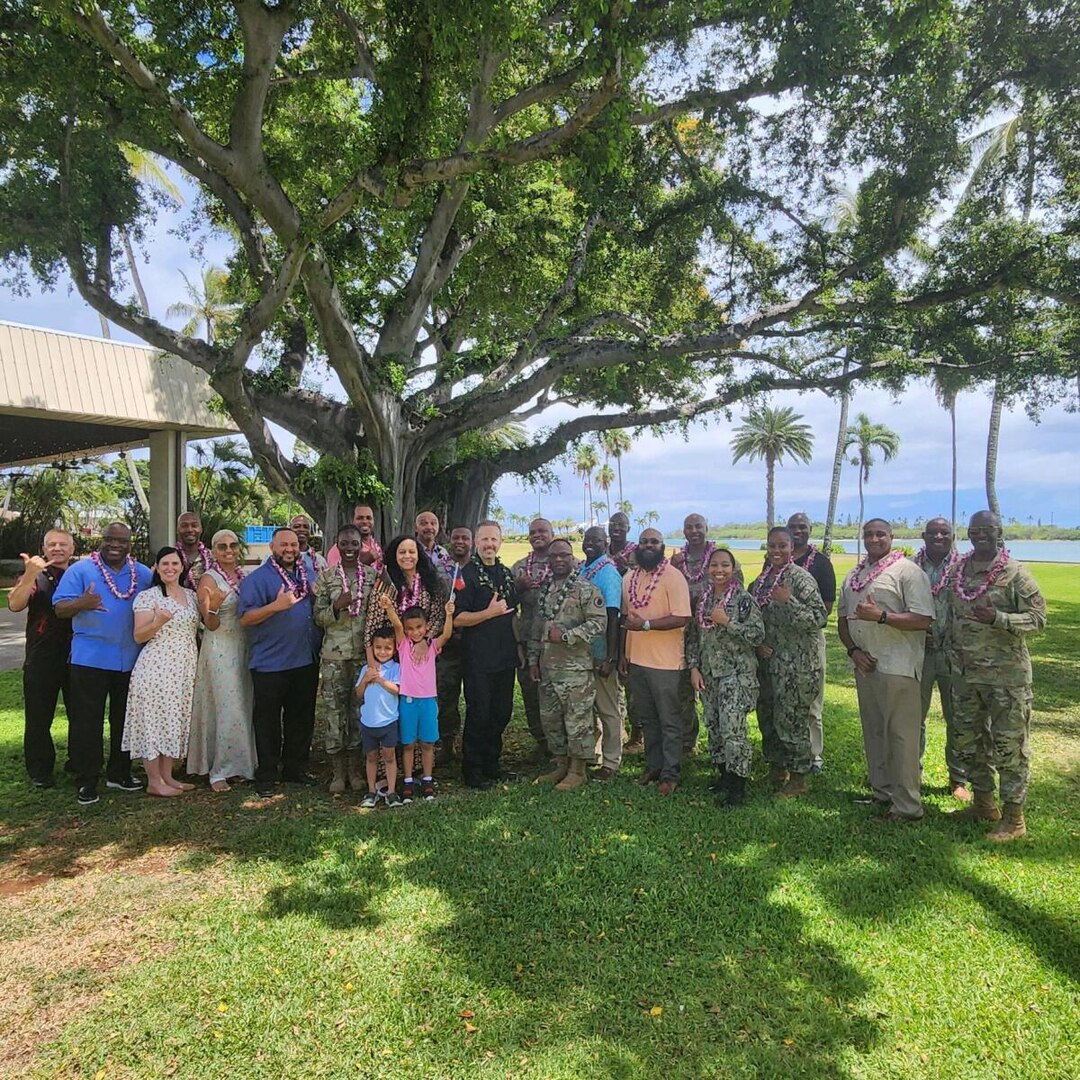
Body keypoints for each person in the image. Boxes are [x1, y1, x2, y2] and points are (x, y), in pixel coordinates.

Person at [945, 510, 1047, 840]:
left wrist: (999, 619)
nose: (980, 535)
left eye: (987, 530)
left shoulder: (1015, 574)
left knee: (1009, 747)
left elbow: (1038, 619)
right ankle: (984, 804)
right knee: (970, 742)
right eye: (975, 530)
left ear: (999, 532)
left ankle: (1014, 819)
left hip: (1006, 678)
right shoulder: (958, 571)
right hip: (966, 676)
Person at [838, 519, 934, 823]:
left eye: (880, 534)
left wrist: (882, 616)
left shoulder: (908, 571)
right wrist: (854, 651)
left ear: (892, 537)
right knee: (874, 731)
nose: (874, 538)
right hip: (866, 664)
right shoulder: (855, 574)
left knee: (901, 736)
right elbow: (843, 618)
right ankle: (882, 792)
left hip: (898, 665)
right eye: (868, 534)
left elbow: (923, 619)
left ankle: (907, 806)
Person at [53, 522, 153, 806]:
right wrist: (82, 602)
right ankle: (86, 779)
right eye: (110, 539)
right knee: (88, 721)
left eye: (121, 540)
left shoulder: (142, 574)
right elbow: (59, 608)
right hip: (91, 659)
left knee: (124, 719)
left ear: (130, 543)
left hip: (130, 659)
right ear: (101, 540)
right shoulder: (81, 571)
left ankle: (119, 772)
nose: (115, 545)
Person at [237, 527, 321, 798]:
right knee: (268, 721)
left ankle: (295, 769)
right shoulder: (257, 579)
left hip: (304, 659)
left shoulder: (307, 573)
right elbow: (245, 618)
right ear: (272, 547)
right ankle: (267, 775)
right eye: (284, 544)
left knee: (301, 718)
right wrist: (276, 606)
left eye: (294, 545)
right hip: (270, 663)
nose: (289, 549)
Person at [752, 526, 828, 798]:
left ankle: (799, 776)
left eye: (782, 546)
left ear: (791, 548)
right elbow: (756, 618)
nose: (776, 551)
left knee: (791, 721)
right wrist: (758, 644)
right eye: (772, 546)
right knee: (769, 717)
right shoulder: (762, 580)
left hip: (796, 666)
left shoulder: (800, 579)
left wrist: (789, 602)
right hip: (769, 665)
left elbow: (819, 618)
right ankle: (777, 767)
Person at [686, 547, 765, 808]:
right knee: (715, 727)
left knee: (733, 731)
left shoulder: (743, 600)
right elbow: (695, 637)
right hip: (709, 675)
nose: (719, 570)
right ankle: (724, 775)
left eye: (725, 565)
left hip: (736, 675)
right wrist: (694, 668)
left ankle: (738, 786)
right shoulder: (704, 600)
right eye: (714, 565)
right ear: (707, 569)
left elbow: (756, 635)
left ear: (733, 569)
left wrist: (727, 621)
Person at [528, 538, 607, 790]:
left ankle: (578, 770)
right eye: (554, 556)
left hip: (575, 670)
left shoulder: (586, 589)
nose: (559, 560)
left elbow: (598, 624)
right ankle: (560, 763)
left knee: (577, 721)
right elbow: (536, 628)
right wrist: (533, 659)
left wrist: (566, 636)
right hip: (548, 668)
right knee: (551, 720)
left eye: (564, 555)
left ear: (573, 558)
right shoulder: (546, 590)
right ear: (549, 560)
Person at [620, 529, 692, 796]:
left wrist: (647, 625)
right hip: (637, 660)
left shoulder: (674, 577)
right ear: (637, 547)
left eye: (654, 542)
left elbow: (683, 618)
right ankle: (653, 766)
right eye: (643, 542)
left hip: (666, 663)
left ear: (662, 546)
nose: (648, 546)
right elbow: (628, 621)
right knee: (647, 718)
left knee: (669, 720)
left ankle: (671, 774)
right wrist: (625, 656)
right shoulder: (629, 577)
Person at [123, 547, 200, 797]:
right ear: (156, 567)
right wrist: (158, 621)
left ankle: (168, 776)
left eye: (175, 563)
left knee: (172, 721)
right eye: (164, 563)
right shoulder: (148, 597)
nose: (170, 568)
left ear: (182, 567)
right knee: (154, 722)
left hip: (183, 667)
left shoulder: (191, 595)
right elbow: (139, 635)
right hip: (157, 667)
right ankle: (154, 780)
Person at [313, 525, 380, 794]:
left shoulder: (373, 577)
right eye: (344, 544)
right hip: (334, 657)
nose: (350, 548)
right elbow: (317, 618)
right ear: (337, 546)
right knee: (334, 714)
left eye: (354, 543)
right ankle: (338, 773)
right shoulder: (326, 577)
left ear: (361, 546)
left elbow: (380, 614)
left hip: (363, 658)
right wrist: (336, 607)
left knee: (359, 712)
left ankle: (356, 771)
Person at [453, 520, 520, 789]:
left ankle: (493, 764)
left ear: (500, 542)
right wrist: (487, 614)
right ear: (475, 542)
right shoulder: (465, 575)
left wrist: (520, 647)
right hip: (478, 659)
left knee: (501, 712)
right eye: (484, 540)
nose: (489, 545)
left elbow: (514, 614)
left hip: (505, 656)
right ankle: (473, 770)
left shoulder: (505, 573)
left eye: (494, 540)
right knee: (479, 713)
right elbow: (457, 619)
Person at [188, 530, 256, 792]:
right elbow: (210, 624)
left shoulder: (243, 576)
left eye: (233, 545)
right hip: (219, 647)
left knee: (244, 704)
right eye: (222, 547)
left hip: (243, 646)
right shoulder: (208, 578)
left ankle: (242, 765)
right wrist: (214, 604)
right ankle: (219, 770)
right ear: (213, 551)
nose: (228, 550)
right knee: (227, 707)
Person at [9, 529, 75, 788]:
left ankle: (78, 761)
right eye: (52, 544)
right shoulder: (35, 576)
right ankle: (40, 770)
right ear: (44, 548)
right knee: (39, 716)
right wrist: (29, 575)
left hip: (76, 654)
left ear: (72, 549)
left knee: (80, 714)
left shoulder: (79, 574)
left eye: (63, 544)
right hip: (42, 655)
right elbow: (15, 604)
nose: (57, 549)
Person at [378, 593, 456, 802]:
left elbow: (446, 635)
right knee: (409, 744)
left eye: (419, 627)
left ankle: (428, 778)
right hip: (408, 701)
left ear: (427, 626)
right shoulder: (403, 646)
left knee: (428, 743)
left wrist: (449, 615)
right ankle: (409, 780)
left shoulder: (431, 646)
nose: (415, 632)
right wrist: (389, 608)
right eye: (410, 629)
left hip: (428, 702)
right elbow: (396, 624)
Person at [912, 517, 968, 801]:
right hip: (919, 652)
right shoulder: (910, 567)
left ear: (952, 536)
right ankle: (913, 772)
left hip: (954, 654)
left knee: (956, 718)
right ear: (923, 536)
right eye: (932, 532)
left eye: (944, 532)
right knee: (913, 717)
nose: (938, 536)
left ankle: (958, 779)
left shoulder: (964, 568)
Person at [786, 512, 836, 774]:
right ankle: (788, 753)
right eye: (792, 526)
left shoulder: (820, 564)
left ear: (810, 530)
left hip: (808, 644)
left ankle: (815, 756)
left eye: (802, 526)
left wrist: (792, 607)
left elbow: (824, 611)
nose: (797, 531)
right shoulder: (775, 561)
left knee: (811, 703)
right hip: (781, 646)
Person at [581, 526, 625, 781]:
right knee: (587, 709)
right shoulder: (583, 569)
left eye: (596, 540)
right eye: (587, 539)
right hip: (581, 654)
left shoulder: (608, 573)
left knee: (608, 709)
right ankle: (592, 754)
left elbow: (613, 617)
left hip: (600, 654)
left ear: (605, 543)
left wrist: (610, 657)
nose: (590, 543)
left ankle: (611, 761)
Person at [512, 518, 556, 758]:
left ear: (552, 533)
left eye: (542, 531)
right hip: (528, 641)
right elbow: (508, 608)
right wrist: (517, 588)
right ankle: (541, 741)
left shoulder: (564, 562)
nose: (537, 535)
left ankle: (561, 743)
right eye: (533, 532)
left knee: (557, 692)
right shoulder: (519, 567)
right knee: (530, 692)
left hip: (557, 642)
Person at [366, 535, 447, 663]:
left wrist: (425, 641)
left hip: (422, 654)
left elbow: (437, 618)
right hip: (390, 655)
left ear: (419, 554)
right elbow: (372, 624)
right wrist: (372, 661)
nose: (407, 556)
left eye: (412, 552)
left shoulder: (432, 582)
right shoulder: (385, 583)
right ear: (395, 555)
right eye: (402, 552)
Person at [671, 512, 713, 755]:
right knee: (683, 690)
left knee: (710, 689)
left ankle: (718, 743)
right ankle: (688, 742)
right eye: (689, 527)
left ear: (706, 528)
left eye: (698, 526)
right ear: (684, 531)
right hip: (683, 633)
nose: (694, 530)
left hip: (711, 634)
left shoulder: (719, 558)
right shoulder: (677, 561)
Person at [435, 525, 472, 766]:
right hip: (447, 646)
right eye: (456, 537)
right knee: (446, 697)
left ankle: (471, 745)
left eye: (465, 538)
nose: (460, 541)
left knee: (476, 697)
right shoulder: (440, 570)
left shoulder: (479, 570)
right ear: (449, 540)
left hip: (474, 645)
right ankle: (446, 745)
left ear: (472, 542)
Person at [355, 628, 402, 809]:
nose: (382, 652)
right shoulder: (366, 669)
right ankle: (371, 791)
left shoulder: (395, 668)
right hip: (368, 723)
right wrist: (366, 679)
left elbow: (398, 689)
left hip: (388, 722)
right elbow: (358, 694)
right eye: (378, 647)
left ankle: (391, 791)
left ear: (394, 649)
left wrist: (381, 680)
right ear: (372, 648)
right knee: (371, 756)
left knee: (389, 756)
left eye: (387, 648)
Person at [327, 502, 383, 571]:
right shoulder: (340, 549)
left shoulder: (375, 547)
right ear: (352, 520)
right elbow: (334, 577)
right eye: (360, 518)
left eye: (369, 518)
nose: (365, 521)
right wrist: (363, 562)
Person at [176, 511, 210, 589]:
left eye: (194, 525)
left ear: (201, 529)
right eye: (184, 526)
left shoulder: (213, 558)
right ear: (177, 529)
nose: (190, 530)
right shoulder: (169, 558)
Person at [415, 510, 454, 576]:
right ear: (416, 528)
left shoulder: (442, 552)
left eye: (433, 523)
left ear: (438, 527)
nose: (429, 527)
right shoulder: (411, 550)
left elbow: (456, 578)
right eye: (424, 523)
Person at [290, 514, 327, 578]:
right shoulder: (278, 558)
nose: (302, 529)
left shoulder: (319, 561)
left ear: (310, 531)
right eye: (297, 526)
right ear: (290, 530)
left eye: (306, 527)